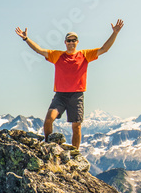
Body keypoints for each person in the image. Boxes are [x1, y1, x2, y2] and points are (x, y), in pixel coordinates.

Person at [15, 20, 124, 149]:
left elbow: (104, 49)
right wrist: (26, 38)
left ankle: (75, 155)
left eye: (74, 40)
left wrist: (115, 33)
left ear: (77, 42)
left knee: (76, 126)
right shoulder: (57, 56)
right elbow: (39, 50)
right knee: (49, 119)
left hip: (77, 96)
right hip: (60, 96)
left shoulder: (84, 55)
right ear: (65, 42)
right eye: (69, 40)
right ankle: (49, 146)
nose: (71, 42)